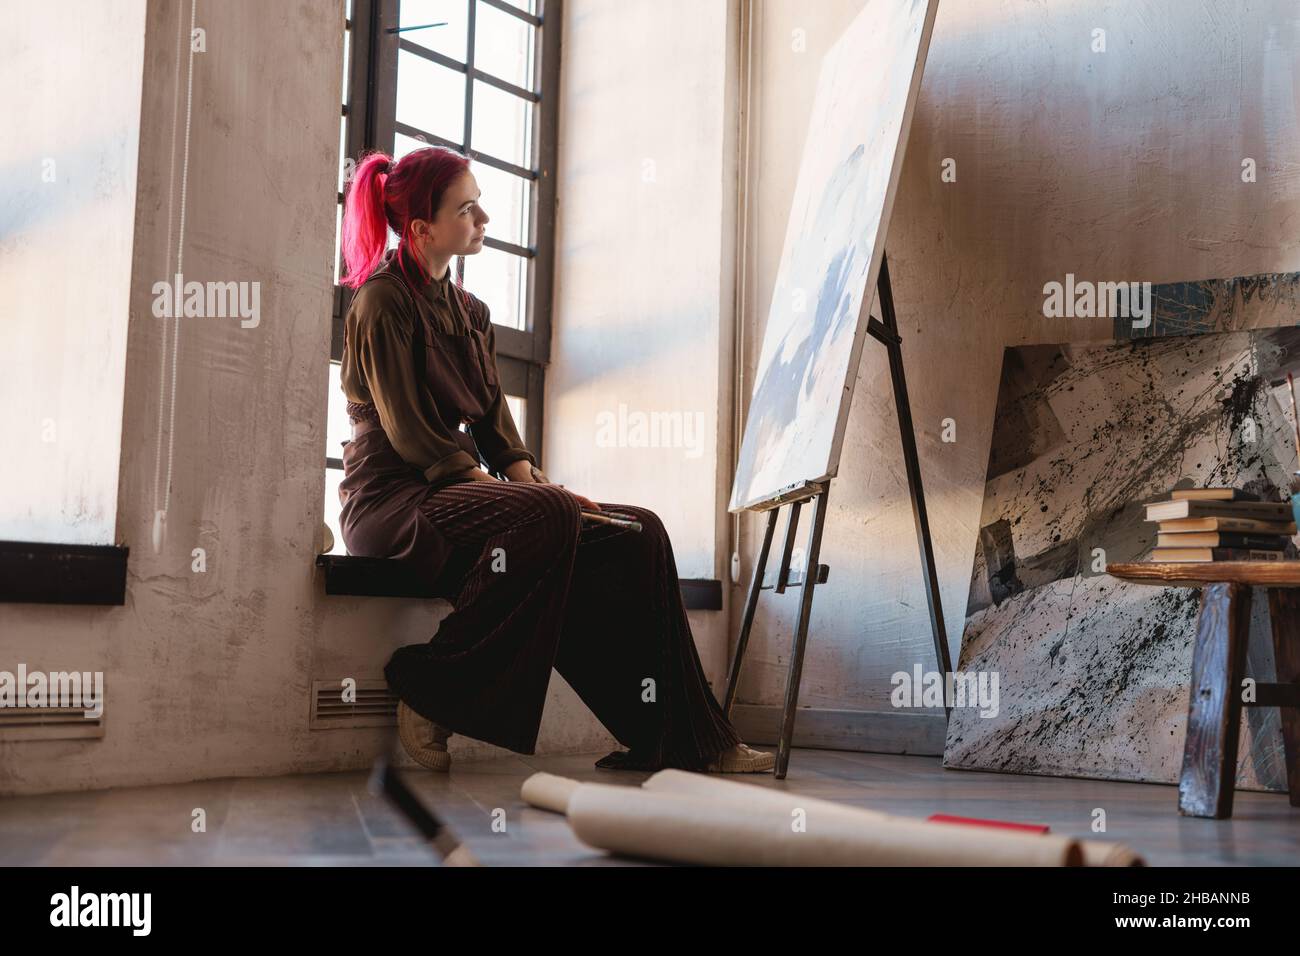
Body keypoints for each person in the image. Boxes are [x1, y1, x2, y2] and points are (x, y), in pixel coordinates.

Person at [336, 144, 773, 775]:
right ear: (423, 229)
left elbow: (497, 431)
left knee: (639, 531)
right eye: (468, 209)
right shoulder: (381, 302)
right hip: (392, 502)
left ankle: (686, 738)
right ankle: (429, 689)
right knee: (547, 515)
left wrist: (531, 481)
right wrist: (535, 500)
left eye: (480, 205)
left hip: (455, 493)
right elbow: (411, 437)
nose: (483, 219)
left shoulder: (470, 313)